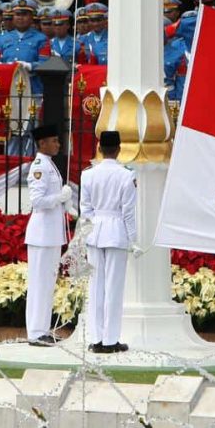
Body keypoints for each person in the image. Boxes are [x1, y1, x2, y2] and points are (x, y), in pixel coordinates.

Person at [80, 131, 138, 354]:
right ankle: (110, 339)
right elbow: (129, 212)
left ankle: (97, 338)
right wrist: (133, 239)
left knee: (96, 287)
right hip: (116, 231)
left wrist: (86, 234)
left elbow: (85, 209)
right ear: (119, 148)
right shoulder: (126, 175)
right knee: (113, 287)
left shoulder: (88, 174)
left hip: (95, 230)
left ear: (99, 147)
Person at [24, 124, 71, 347]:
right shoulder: (39, 167)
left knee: (47, 284)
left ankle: (42, 329)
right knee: (39, 283)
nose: (58, 144)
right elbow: (37, 201)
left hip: (51, 234)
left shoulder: (50, 165)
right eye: (54, 140)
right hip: (41, 235)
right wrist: (59, 198)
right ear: (42, 144)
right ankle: (35, 332)